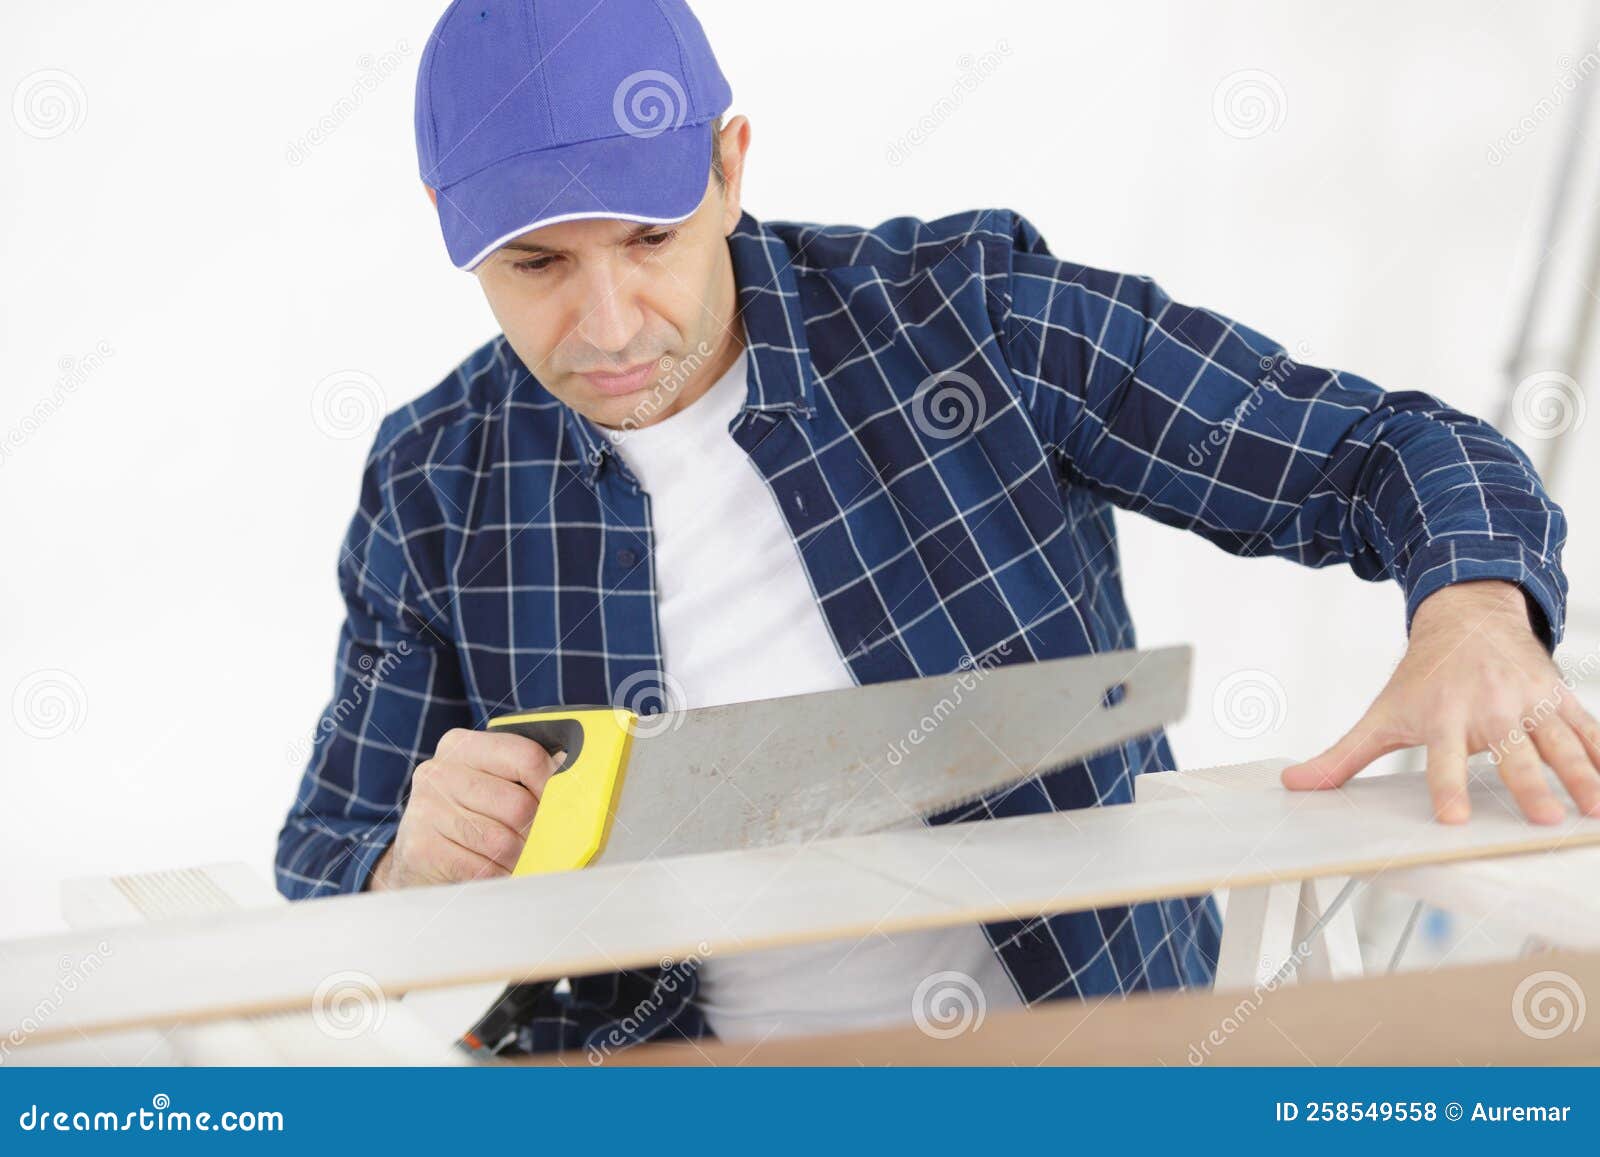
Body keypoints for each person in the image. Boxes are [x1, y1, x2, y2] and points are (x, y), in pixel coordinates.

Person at [277, 0, 1590, 1056]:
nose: (613, 324)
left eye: (650, 237)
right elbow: (324, 868)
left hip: (1093, 1068)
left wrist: (1476, 607)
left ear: (729, 169)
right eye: (541, 267)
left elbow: (1385, 450)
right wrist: (407, 870)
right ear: (457, 241)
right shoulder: (433, 482)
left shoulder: (973, 320)